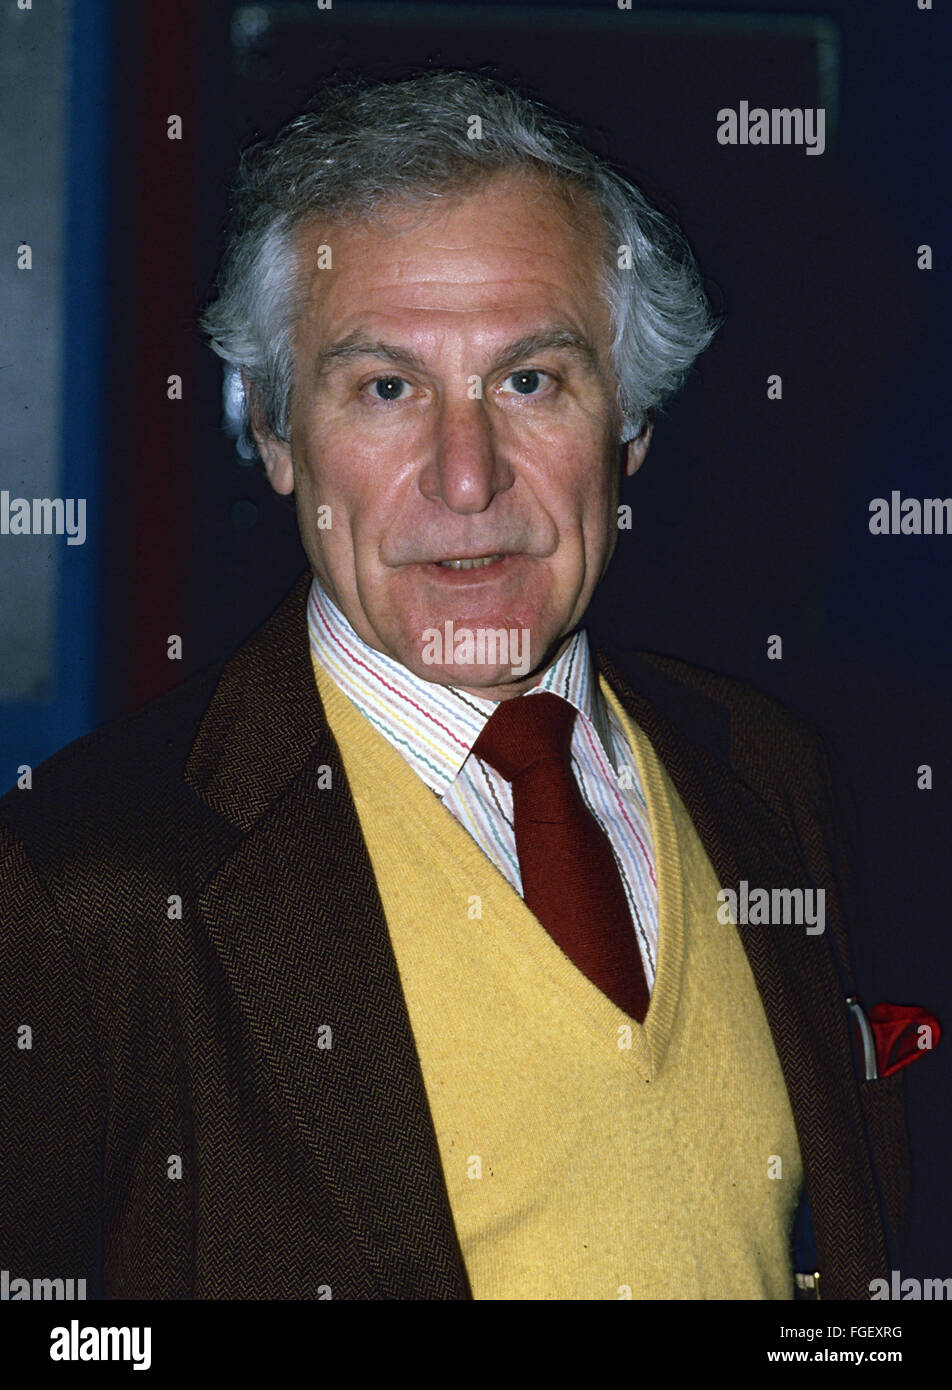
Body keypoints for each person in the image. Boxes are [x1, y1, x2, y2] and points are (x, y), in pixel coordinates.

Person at [0, 70, 917, 1301]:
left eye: (530, 380)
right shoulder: (85, 880)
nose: (468, 476)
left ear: (630, 425)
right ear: (275, 436)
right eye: (386, 388)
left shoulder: (770, 768)